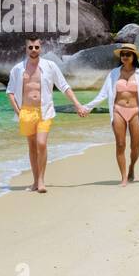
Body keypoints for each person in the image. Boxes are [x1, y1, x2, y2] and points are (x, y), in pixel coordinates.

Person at [7, 35, 89, 193]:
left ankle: (41, 180)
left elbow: (64, 86)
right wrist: (19, 112)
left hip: (44, 111)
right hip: (26, 112)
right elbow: (10, 92)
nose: (33, 50)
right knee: (32, 147)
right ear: (26, 49)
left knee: (41, 144)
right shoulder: (18, 69)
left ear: (41, 48)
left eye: (36, 47)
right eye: (30, 47)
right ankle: (35, 181)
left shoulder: (50, 66)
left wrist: (77, 104)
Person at [84, 43, 139, 186]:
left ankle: (131, 167)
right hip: (118, 110)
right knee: (120, 144)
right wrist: (87, 108)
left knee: (135, 147)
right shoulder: (114, 73)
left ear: (134, 56)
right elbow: (103, 94)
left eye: (128, 54)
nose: (125, 57)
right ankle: (124, 177)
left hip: (136, 111)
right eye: (122, 54)